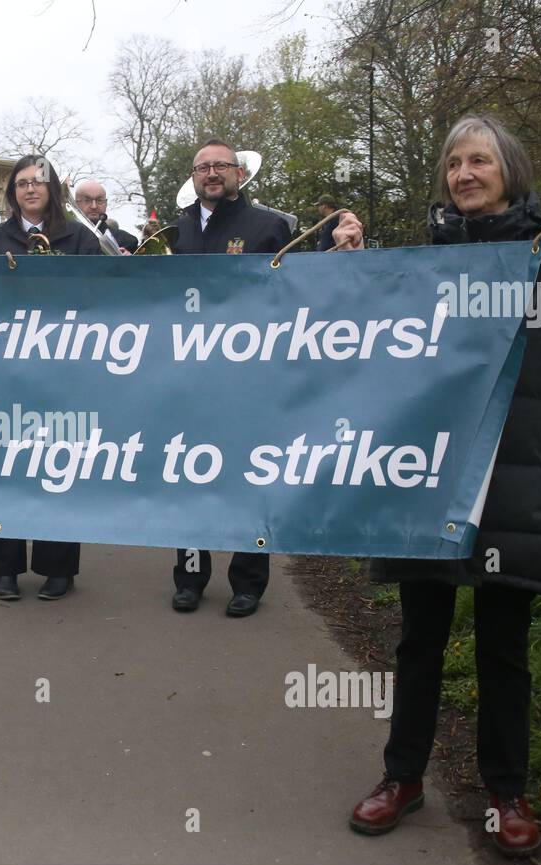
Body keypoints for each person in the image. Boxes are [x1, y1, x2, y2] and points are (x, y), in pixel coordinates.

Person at [349, 114, 541, 858]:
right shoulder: (422, 260)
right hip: (428, 477)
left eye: (479, 161)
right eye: (454, 163)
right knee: (420, 638)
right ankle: (403, 776)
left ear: (509, 171)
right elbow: (357, 345)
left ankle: (506, 793)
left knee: (503, 645)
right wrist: (351, 268)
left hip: (517, 478)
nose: (464, 174)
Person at [170, 139, 362, 619]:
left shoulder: (268, 226)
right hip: (191, 376)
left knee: (246, 477)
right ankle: (190, 577)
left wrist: (339, 252)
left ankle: (248, 581)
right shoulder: (180, 230)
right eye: (203, 167)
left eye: (221, 165)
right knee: (189, 476)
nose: (212, 173)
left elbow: (302, 290)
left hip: (251, 376)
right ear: (192, 177)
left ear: (239, 173)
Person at [0, 155, 100, 600]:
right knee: (4, 468)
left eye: (38, 183)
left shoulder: (80, 238)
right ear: (12, 192)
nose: (30, 189)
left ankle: (58, 566)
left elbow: (97, 301)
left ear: (52, 190)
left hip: (63, 371)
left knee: (58, 466)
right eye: (22, 183)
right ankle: (3, 567)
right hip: (6, 371)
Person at [73, 179, 139, 252]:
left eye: (99, 200)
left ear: (106, 204)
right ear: (76, 204)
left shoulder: (126, 241)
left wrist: (131, 261)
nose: (94, 206)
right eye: (87, 200)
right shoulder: (62, 238)